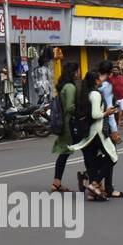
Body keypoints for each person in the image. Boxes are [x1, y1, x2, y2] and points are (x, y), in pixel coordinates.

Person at [70, 67, 120, 200]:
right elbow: (95, 114)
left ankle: (93, 190)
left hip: (88, 130)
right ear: (96, 81)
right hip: (98, 130)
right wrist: (107, 113)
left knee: (91, 160)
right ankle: (95, 183)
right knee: (113, 156)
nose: (101, 79)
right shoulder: (96, 94)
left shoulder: (85, 93)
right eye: (99, 78)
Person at [49, 63, 80, 193]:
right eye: (77, 71)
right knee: (86, 149)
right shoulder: (70, 87)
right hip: (70, 125)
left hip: (64, 124)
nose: (79, 73)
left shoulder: (63, 87)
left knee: (64, 154)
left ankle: (56, 182)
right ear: (73, 72)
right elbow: (69, 107)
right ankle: (93, 182)